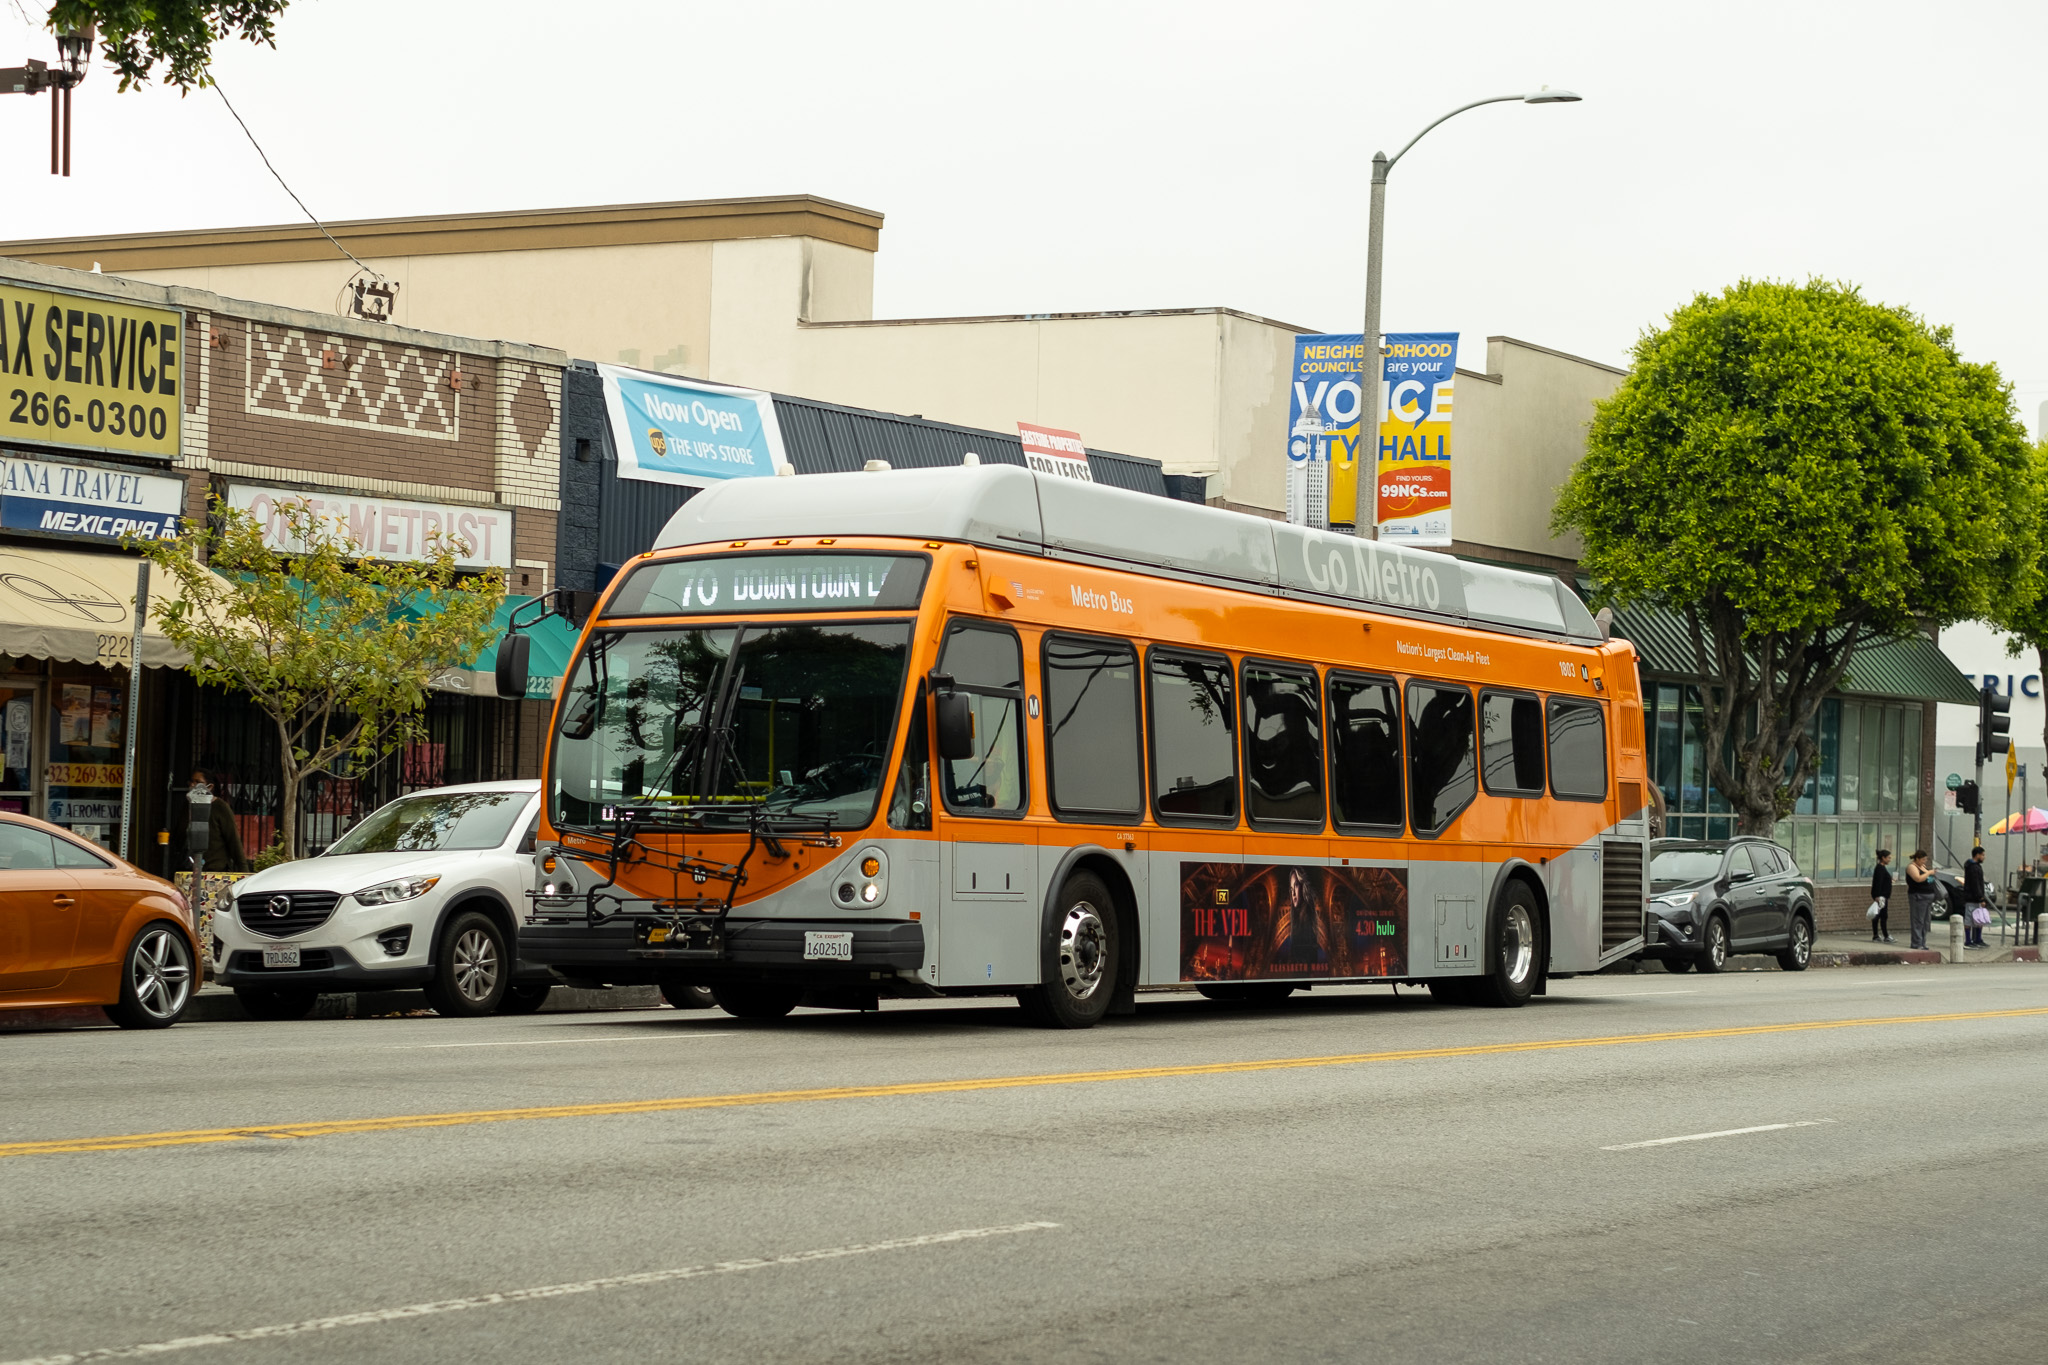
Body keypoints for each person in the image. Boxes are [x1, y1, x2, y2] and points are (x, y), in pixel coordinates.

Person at [188, 769, 249, 874]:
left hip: (215, 870)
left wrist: (244, 871)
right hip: (190, 869)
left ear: (210, 787)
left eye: (198, 782)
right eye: (192, 781)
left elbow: (233, 840)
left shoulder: (220, 807)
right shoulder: (188, 806)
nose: (193, 785)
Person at [1904, 849, 1936, 951]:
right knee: (1918, 920)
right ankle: (1916, 943)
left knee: (1925, 921)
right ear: (1917, 859)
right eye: (1923, 859)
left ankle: (1922, 942)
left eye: (1925, 859)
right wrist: (1929, 873)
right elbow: (1918, 878)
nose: (1924, 861)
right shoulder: (1911, 867)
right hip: (1918, 896)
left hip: (1928, 896)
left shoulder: (1923, 866)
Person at [1962, 845, 1990, 949]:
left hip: (1974, 897)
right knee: (1969, 919)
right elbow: (1975, 884)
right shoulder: (1973, 867)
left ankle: (1977, 939)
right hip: (1972, 898)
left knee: (1979, 919)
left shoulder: (1975, 866)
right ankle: (1968, 941)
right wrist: (1980, 898)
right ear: (1977, 855)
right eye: (1982, 855)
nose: (1984, 857)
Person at [1870, 848, 1893, 943]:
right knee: (1882, 915)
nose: (1890, 860)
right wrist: (1877, 896)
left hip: (1883, 896)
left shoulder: (1882, 868)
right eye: (1888, 858)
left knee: (1880, 915)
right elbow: (1877, 883)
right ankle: (1883, 935)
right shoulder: (1880, 868)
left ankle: (1879, 935)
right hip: (1881, 896)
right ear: (1883, 858)